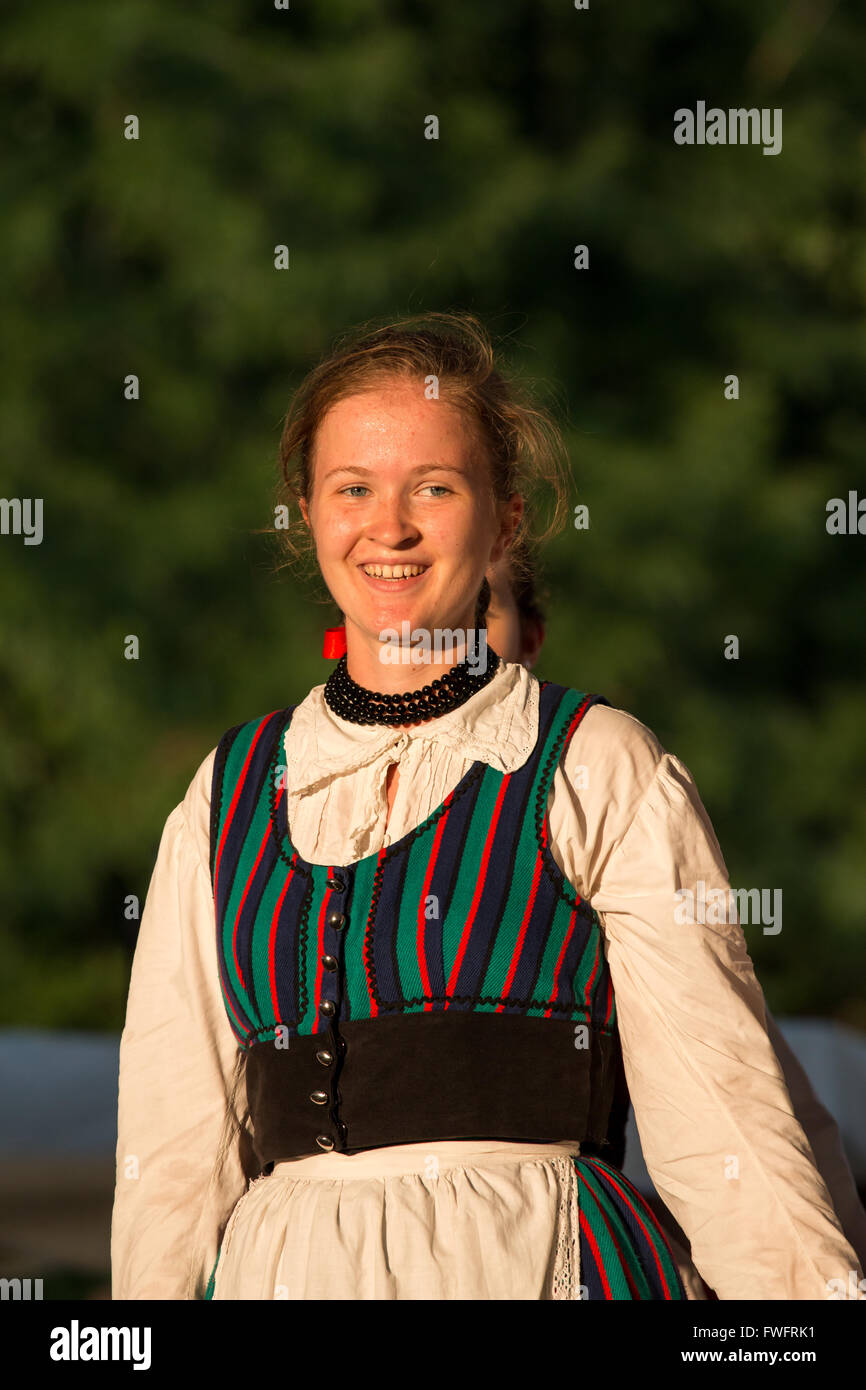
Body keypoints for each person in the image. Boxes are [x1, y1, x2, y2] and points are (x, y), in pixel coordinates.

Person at [111, 311, 865, 1300]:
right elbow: (171, 1152)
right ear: (305, 512)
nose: (389, 527)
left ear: (505, 518)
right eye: (352, 490)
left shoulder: (598, 761)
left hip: (530, 1265)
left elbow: (720, 1112)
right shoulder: (231, 789)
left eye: (434, 486)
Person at [484, 542, 866, 1300]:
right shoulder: (251, 803)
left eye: (478, 610)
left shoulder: (603, 787)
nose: (439, 641)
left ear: (531, 639)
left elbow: (750, 1113)